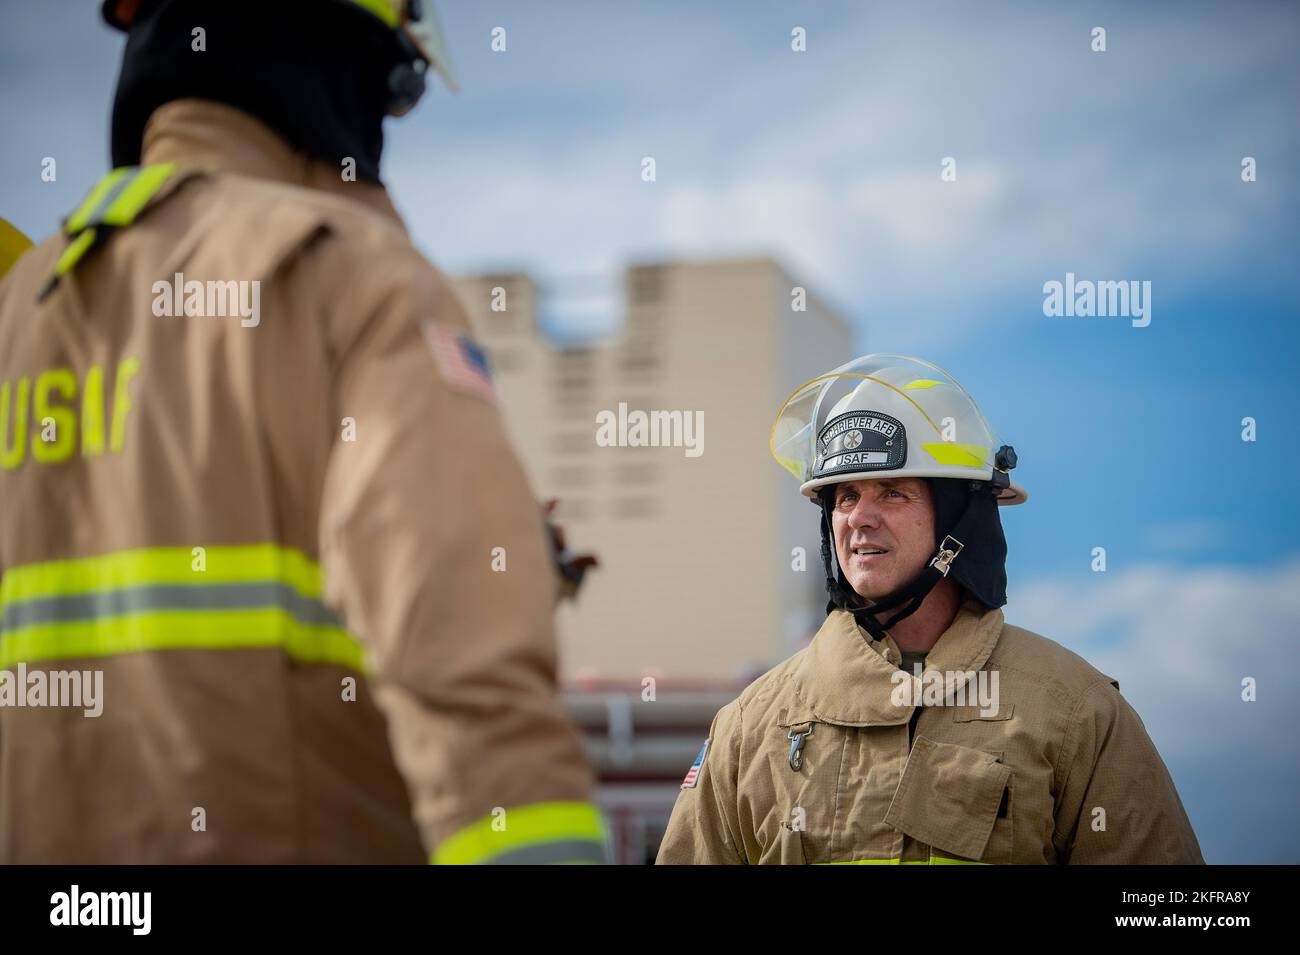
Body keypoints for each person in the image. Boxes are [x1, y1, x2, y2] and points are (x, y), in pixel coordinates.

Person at [0, 0, 607, 864]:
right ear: (342, 57)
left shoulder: (21, 308)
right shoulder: (352, 279)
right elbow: (471, 684)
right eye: (397, 91)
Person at [656, 354, 1203, 864]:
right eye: (846, 497)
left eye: (892, 493)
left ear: (959, 522)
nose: (859, 518)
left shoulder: (1074, 710)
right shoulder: (751, 725)